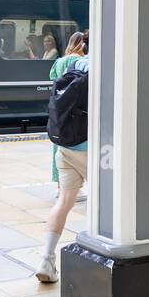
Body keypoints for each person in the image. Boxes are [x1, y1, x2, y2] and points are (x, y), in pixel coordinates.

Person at [36, 48, 89, 283]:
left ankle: (46, 259)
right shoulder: (107, 66)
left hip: (65, 146)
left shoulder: (75, 66)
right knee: (107, 202)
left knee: (64, 202)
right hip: (92, 149)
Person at [48, 31, 88, 200]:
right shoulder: (79, 61)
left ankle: (61, 186)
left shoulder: (60, 61)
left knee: (60, 148)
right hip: (77, 112)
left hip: (60, 110)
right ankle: (75, 188)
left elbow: (52, 78)